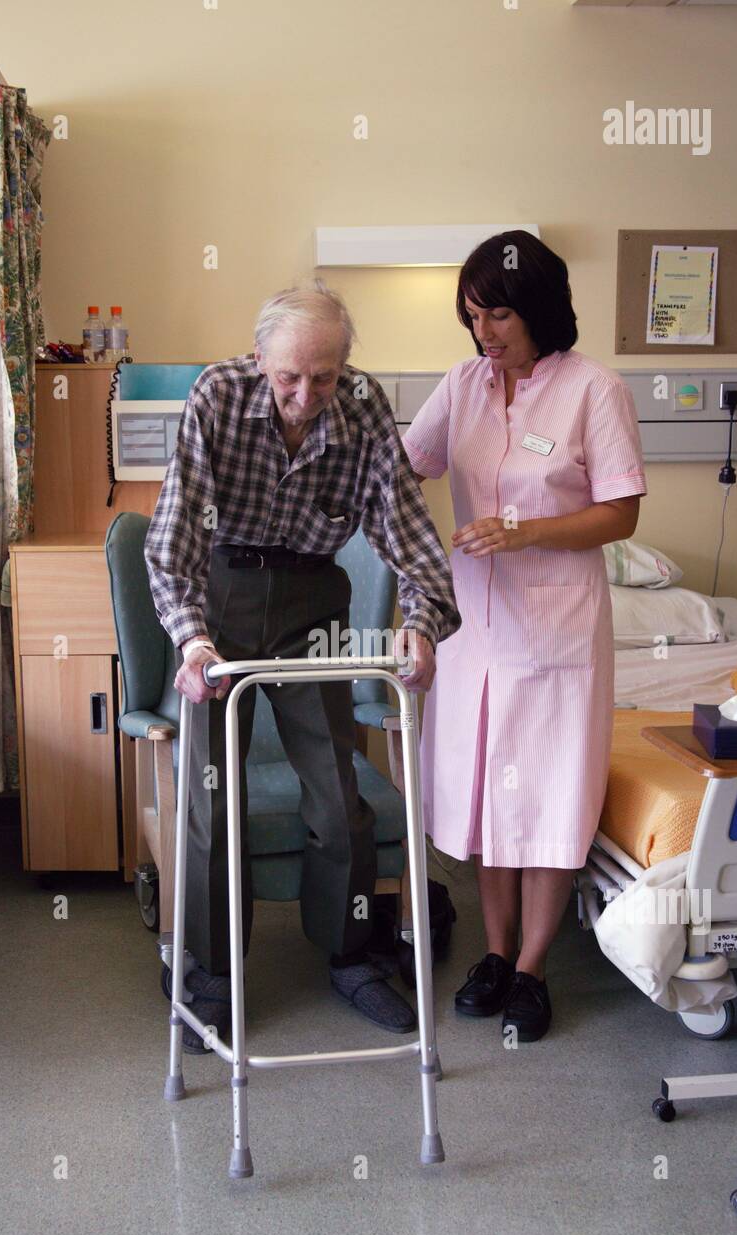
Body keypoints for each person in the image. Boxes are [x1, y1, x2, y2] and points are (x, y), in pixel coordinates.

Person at [145, 282, 459, 1051]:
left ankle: (351, 955)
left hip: (312, 604)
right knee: (211, 798)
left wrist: (422, 622)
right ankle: (212, 970)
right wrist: (190, 640)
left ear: (346, 365)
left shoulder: (362, 410)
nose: (305, 394)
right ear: (260, 359)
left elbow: (407, 529)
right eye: (289, 376)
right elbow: (174, 532)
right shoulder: (217, 396)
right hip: (221, 597)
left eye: (324, 376)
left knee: (338, 794)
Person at [402, 231, 646, 1043]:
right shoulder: (463, 386)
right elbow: (408, 466)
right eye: (473, 315)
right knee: (482, 798)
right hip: (474, 629)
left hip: (555, 633)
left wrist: (529, 531)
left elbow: (621, 512)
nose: (484, 332)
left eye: (498, 313)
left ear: (538, 308)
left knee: (542, 797)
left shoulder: (593, 391)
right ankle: (496, 953)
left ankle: (536, 969)